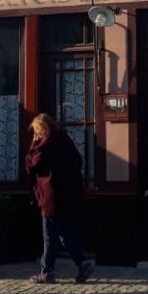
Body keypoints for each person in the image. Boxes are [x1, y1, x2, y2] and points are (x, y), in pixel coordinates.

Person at [25, 113, 94, 285]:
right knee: (64, 231)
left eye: (36, 131)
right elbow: (78, 161)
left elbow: (31, 165)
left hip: (51, 196)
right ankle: (81, 263)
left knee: (49, 233)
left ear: (41, 129)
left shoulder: (44, 144)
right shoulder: (64, 139)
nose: (35, 135)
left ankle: (48, 271)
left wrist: (33, 145)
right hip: (69, 194)